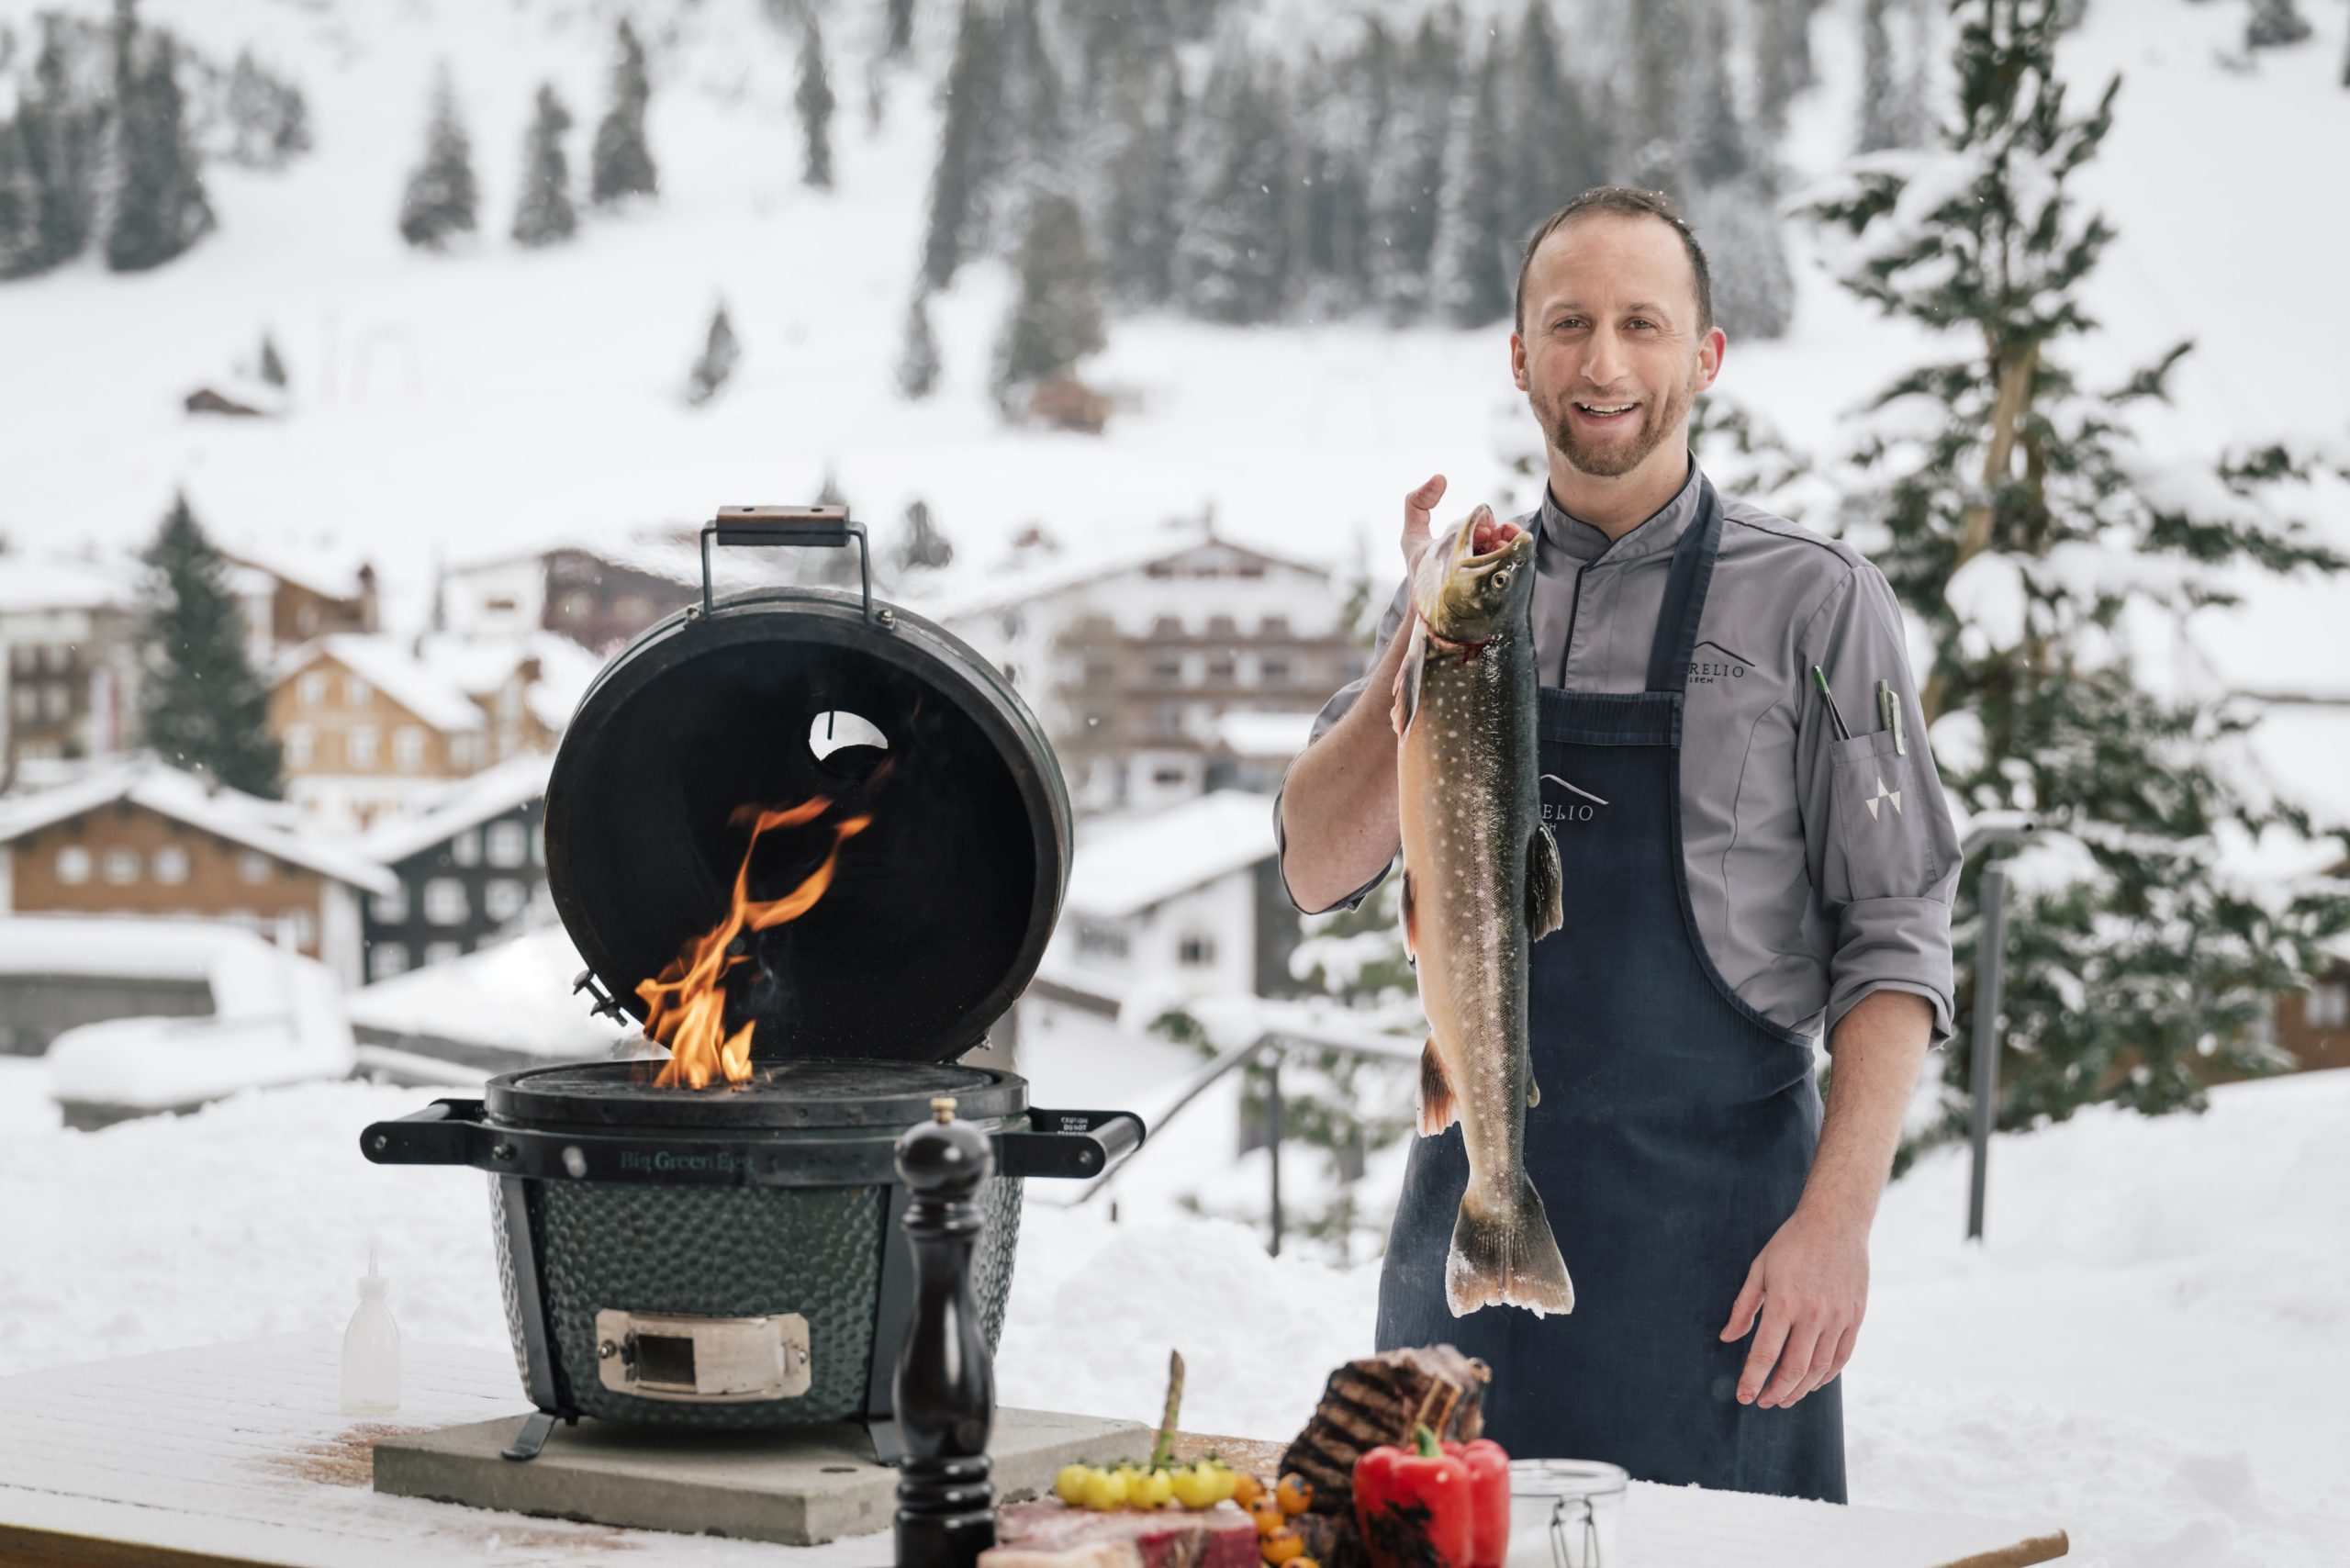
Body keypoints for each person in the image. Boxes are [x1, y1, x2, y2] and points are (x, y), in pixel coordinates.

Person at [1274, 186, 1962, 1504]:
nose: (1604, 363)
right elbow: (1316, 865)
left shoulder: (1816, 602)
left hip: (1719, 1261)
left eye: (1643, 324)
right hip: (1462, 1239)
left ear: (1704, 357)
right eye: (1569, 323)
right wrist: (1415, 650)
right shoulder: (1457, 591)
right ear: (1519, 356)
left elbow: (1898, 940)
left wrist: (1838, 1226)